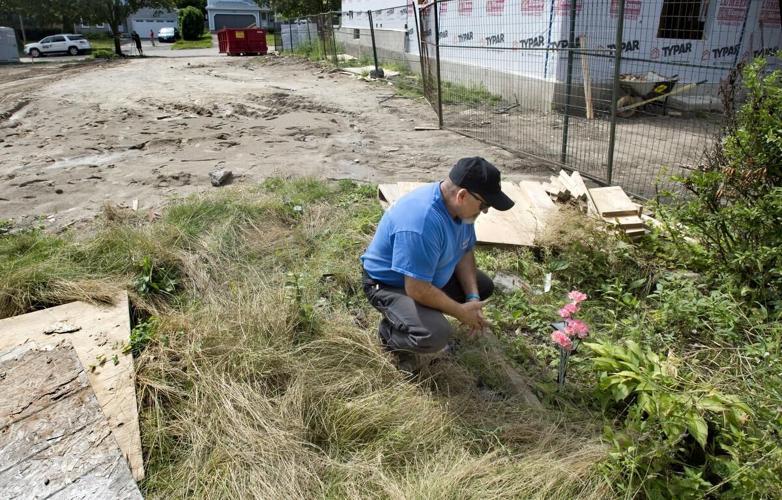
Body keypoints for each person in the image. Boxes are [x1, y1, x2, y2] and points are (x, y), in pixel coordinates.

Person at [361, 157, 515, 370]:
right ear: (462, 195)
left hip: (424, 276)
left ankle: (421, 315)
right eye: (485, 204)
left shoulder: (459, 209)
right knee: (435, 334)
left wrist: (472, 298)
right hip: (390, 285)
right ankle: (390, 334)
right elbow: (417, 289)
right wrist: (460, 312)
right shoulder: (421, 221)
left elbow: (464, 251)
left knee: (482, 286)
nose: (486, 211)